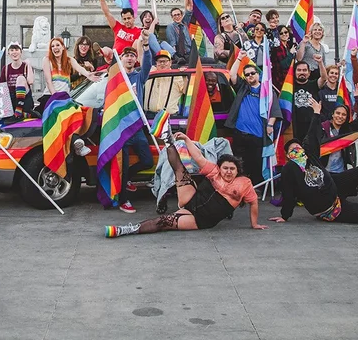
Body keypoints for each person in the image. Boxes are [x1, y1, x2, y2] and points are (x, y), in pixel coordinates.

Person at [104, 132, 265, 237]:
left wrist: (255, 223)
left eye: (232, 169)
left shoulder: (245, 184)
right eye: (225, 168)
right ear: (220, 168)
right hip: (191, 200)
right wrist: (187, 139)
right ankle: (168, 141)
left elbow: (254, 203)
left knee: (164, 222)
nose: (228, 172)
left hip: (201, 219)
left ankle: (125, 230)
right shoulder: (214, 170)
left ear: (238, 171)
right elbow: (197, 156)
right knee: (180, 170)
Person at [224, 56, 280, 188]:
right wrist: (238, 58)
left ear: (258, 75)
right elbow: (231, 74)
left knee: (256, 164)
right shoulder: (243, 87)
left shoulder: (268, 91)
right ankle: (239, 187)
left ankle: (256, 189)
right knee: (239, 163)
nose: (250, 76)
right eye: (247, 74)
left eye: (252, 73)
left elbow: (275, 110)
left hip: (258, 135)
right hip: (240, 132)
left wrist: (270, 125)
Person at [114, 42, 155, 213]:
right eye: (126, 56)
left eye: (132, 56)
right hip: (121, 128)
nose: (129, 58)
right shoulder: (116, 78)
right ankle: (123, 200)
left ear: (135, 59)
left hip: (137, 126)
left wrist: (145, 47)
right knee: (121, 166)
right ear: (121, 59)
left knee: (147, 160)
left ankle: (129, 178)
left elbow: (148, 63)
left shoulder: (139, 76)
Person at [319, 88, 358, 174]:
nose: (340, 116)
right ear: (332, 114)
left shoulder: (348, 129)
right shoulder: (323, 127)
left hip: (342, 171)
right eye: (338, 113)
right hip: (324, 171)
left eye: (344, 115)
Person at [291, 61, 326, 143]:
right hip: (295, 127)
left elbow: (324, 78)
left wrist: (320, 62)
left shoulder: (314, 84)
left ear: (309, 73)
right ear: (294, 72)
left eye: (304, 70)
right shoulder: (289, 87)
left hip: (312, 126)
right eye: (299, 70)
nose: (302, 72)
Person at [144, 50, 187, 114]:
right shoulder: (150, 72)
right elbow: (143, 58)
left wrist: (185, 76)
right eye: (159, 61)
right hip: (149, 116)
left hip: (169, 117)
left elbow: (185, 91)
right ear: (156, 63)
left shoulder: (177, 76)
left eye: (165, 61)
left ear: (170, 62)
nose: (162, 64)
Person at [0, 42, 35, 118]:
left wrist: (29, 65)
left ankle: (19, 111)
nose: (14, 52)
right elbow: (1, 88)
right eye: (12, 50)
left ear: (21, 52)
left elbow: (31, 81)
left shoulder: (26, 66)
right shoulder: (5, 69)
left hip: (25, 100)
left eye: (16, 50)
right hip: (11, 100)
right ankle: (24, 115)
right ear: (8, 53)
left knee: (20, 78)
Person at [165, 0, 193, 64]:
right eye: (174, 15)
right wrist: (175, 58)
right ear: (172, 17)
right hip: (179, 56)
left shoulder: (185, 23)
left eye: (178, 14)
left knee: (209, 61)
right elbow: (172, 43)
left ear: (181, 15)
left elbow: (190, 8)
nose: (177, 16)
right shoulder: (170, 27)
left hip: (190, 54)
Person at [270, 24, 295, 90]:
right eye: (281, 33)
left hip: (287, 78)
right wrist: (291, 53)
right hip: (279, 80)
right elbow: (283, 65)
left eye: (286, 32)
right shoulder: (277, 47)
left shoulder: (287, 46)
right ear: (278, 35)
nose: (284, 34)